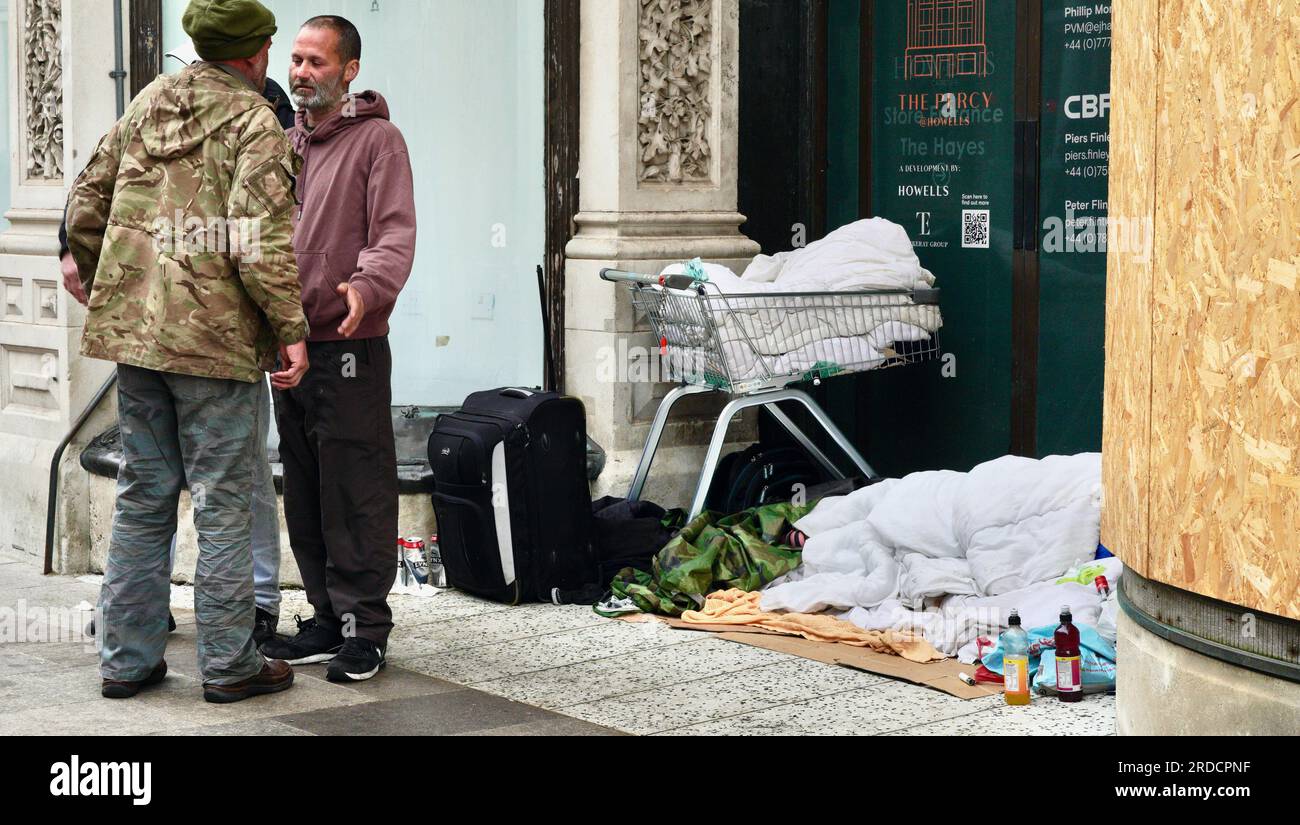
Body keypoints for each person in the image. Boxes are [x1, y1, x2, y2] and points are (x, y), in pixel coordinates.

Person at [65, 0, 309, 703]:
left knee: (144, 498)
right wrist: (290, 328)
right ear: (255, 52)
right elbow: (259, 239)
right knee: (224, 503)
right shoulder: (254, 121)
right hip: (214, 346)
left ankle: (126, 658)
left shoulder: (149, 101)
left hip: (138, 340)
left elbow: (87, 198)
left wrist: (95, 270)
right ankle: (230, 663)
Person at [259, 15, 416, 683]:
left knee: (356, 491)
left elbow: (395, 234)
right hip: (288, 349)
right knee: (306, 491)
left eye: (315, 61)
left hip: (349, 346)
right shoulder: (285, 142)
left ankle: (363, 630)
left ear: (349, 69)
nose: (299, 73)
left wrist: (365, 287)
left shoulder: (379, 142)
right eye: (294, 60)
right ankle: (326, 617)